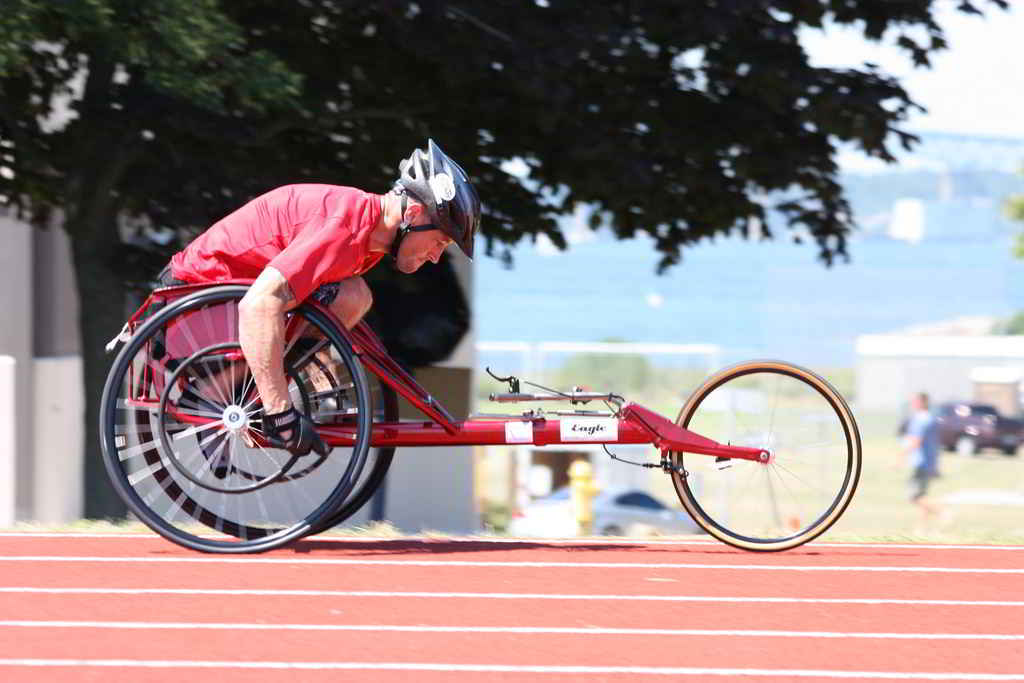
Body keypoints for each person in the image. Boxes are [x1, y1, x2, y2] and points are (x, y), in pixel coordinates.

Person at [158, 139, 480, 460]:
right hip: (190, 307)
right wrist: (280, 413)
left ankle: (244, 393)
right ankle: (208, 396)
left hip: (215, 305)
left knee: (354, 295)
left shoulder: (365, 239)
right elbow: (259, 305)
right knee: (345, 298)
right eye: (439, 241)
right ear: (412, 213)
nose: (437, 257)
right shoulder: (343, 225)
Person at [901, 392, 941, 531]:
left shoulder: (920, 420)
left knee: (913, 496)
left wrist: (901, 456)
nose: (912, 404)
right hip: (929, 462)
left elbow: (916, 441)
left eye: (915, 401)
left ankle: (942, 513)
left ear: (921, 402)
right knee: (923, 495)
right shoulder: (930, 418)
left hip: (921, 462)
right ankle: (921, 529)